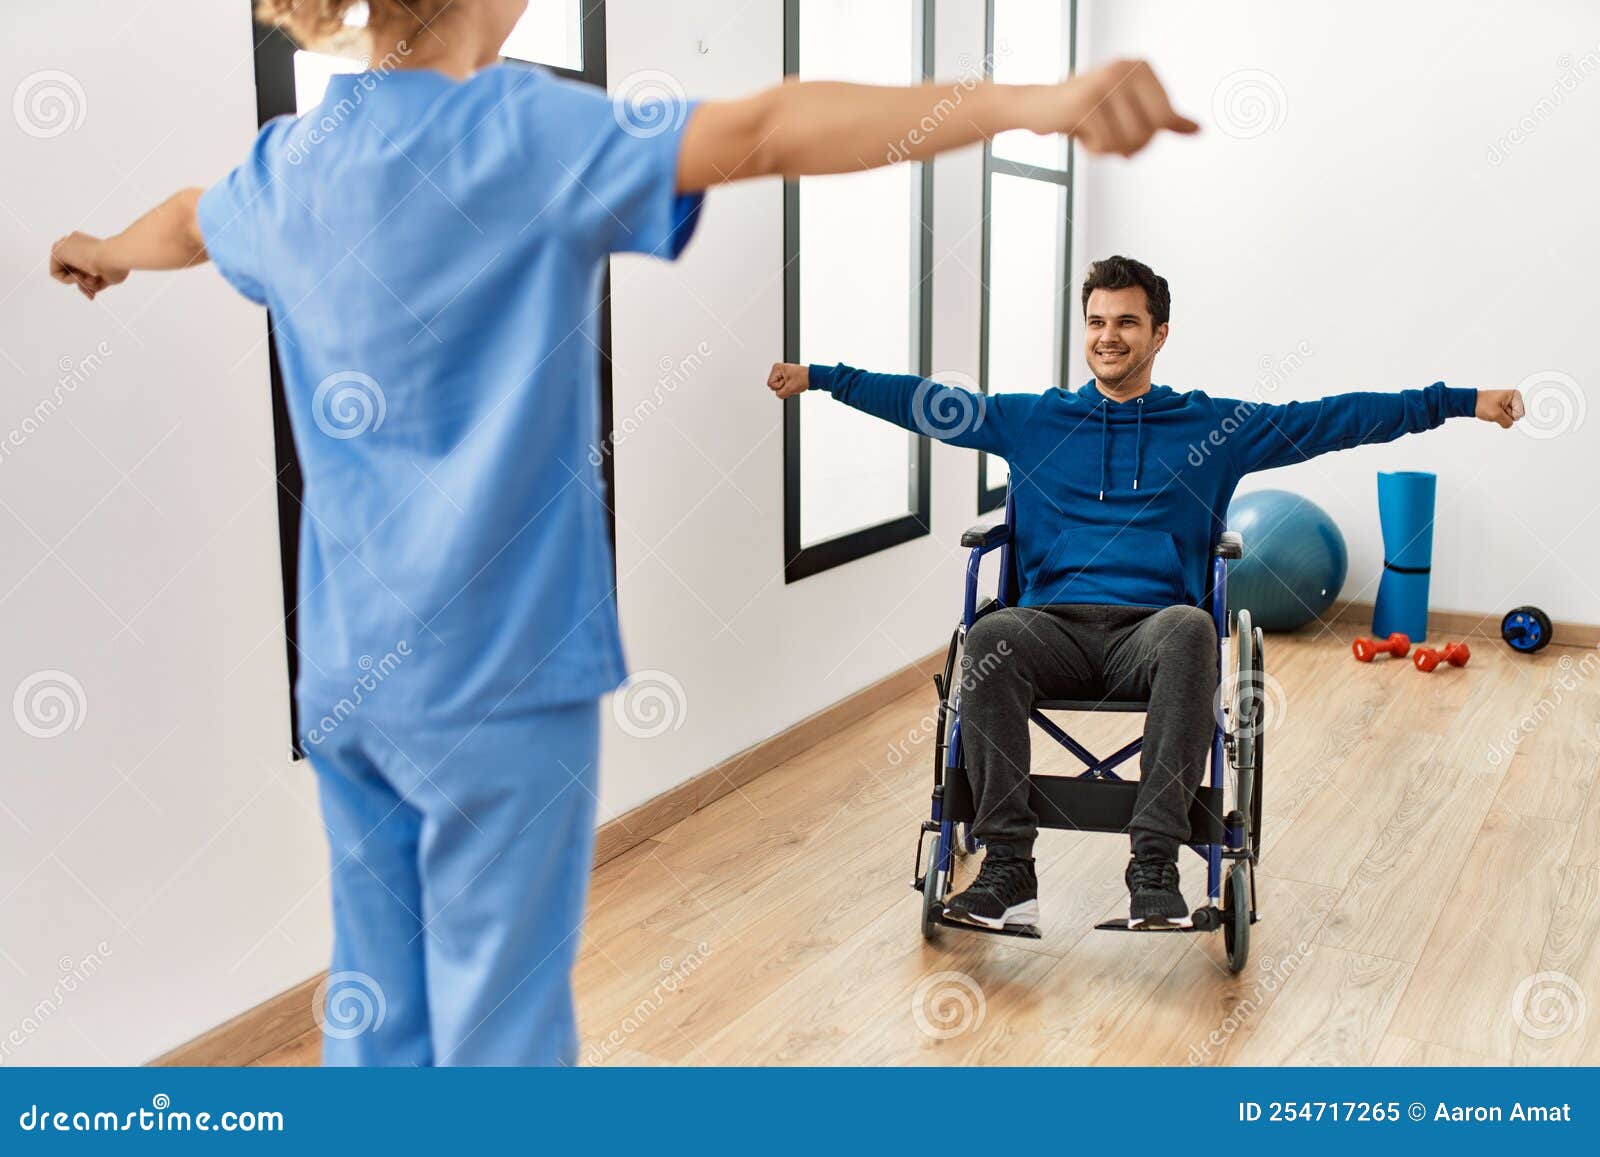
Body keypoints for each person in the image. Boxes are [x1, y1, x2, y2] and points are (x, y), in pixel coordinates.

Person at [46, 1, 1196, 1063]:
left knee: (379, 1000)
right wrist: (1031, 104)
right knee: (504, 1019)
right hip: (502, 673)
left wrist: (104, 245)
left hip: (350, 677)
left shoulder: (287, 164)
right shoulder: (520, 133)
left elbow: (191, 221)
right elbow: (765, 128)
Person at [767, 254, 1524, 931]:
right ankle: (1008, 869)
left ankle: (1153, 864)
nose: (1108, 335)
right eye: (1096, 321)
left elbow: (1334, 419)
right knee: (990, 637)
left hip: (1152, 633)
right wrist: (824, 379)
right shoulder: (1034, 420)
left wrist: (1457, 400)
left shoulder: (1212, 426)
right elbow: (923, 401)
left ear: (1159, 334)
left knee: (1195, 629)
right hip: (1050, 625)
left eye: (1126, 321)